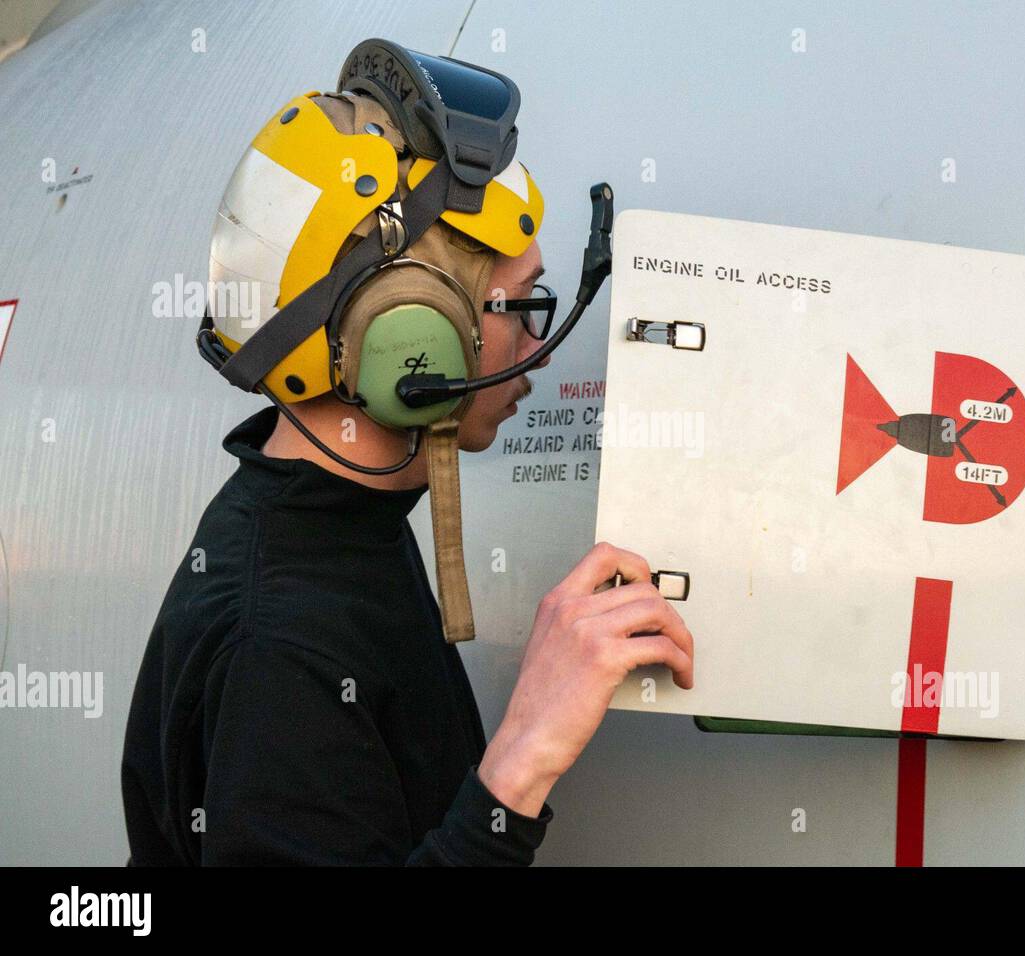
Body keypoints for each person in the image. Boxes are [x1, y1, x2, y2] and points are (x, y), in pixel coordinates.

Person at [121, 42, 694, 866]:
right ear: (411, 332)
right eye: (522, 303)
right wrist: (521, 761)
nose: (538, 341)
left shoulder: (339, 524)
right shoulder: (278, 646)